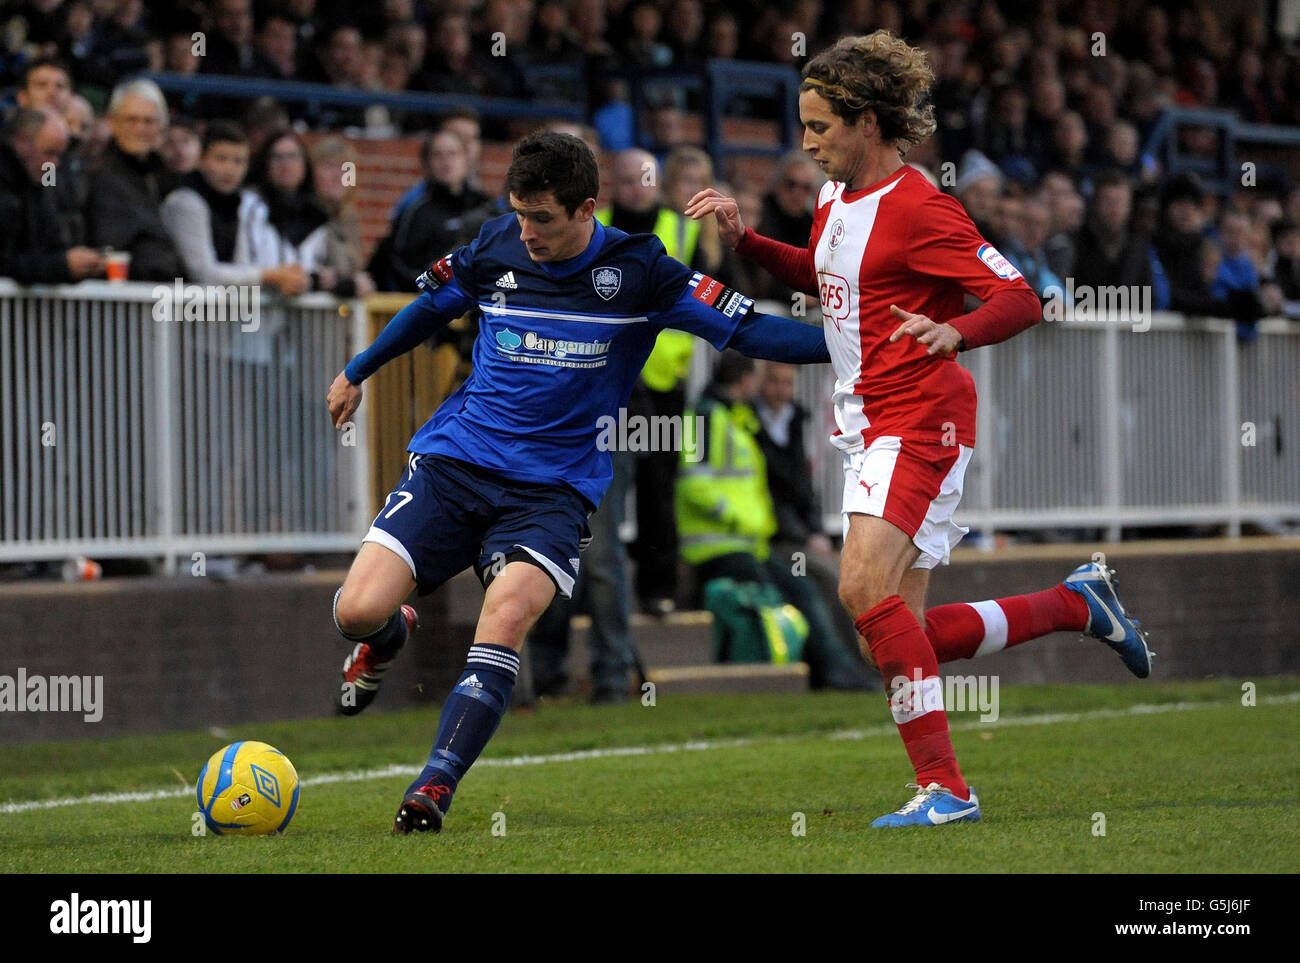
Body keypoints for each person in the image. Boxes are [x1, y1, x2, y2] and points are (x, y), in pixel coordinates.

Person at [687, 31, 1152, 828]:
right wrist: (749, 242)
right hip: (869, 423)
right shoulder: (835, 197)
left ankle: (948, 789)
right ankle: (1078, 606)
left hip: (921, 418)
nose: (806, 143)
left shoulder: (923, 208)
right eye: (802, 125)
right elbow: (825, 274)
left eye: (819, 127)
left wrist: (955, 333)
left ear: (867, 123)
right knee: (892, 637)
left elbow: (1018, 296)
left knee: (860, 587)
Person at [324, 131, 831, 834]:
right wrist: (359, 369)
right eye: (520, 213)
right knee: (354, 609)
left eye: (543, 218)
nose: (526, 232)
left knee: (503, 616)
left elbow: (747, 331)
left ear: (587, 208)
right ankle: (384, 638)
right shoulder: (496, 244)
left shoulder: (644, 270)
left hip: (550, 492)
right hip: (455, 462)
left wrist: (859, 343)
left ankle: (433, 786)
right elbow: (430, 308)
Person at [159, 121, 306, 295]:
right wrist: (271, 276)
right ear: (201, 159)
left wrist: (284, 279)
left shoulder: (236, 203)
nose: (230, 169)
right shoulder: (185, 202)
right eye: (221, 159)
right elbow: (203, 273)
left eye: (238, 161)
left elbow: (242, 267)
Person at [85, 78, 184, 282]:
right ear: (112, 123)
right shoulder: (99, 176)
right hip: (120, 296)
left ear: (162, 126)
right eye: (131, 119)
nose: (140, 128)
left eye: (149, 121)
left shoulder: (165, 177)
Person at [0, 107, 103, 283]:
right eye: (49, 153)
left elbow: (47, 243)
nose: (54, 164)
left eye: (59, 155)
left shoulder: (39, 181)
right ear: (21, 143)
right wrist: (61, 266)